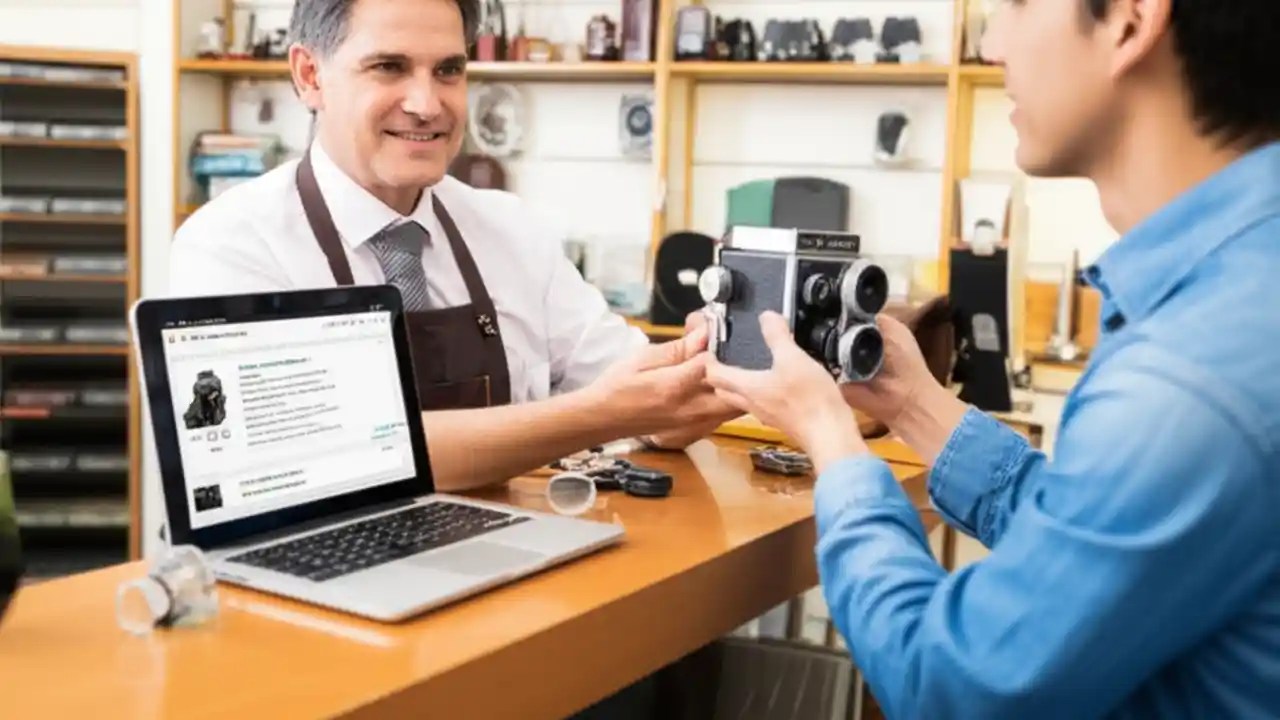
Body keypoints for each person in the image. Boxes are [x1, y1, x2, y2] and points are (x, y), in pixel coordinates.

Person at [705, 0, 1280, 717]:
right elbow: (1096, 541)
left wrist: (829, 436)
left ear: (1131, 20)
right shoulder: (1243, 287)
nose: (994, 41)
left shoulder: (1189, 374)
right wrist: (913, 403)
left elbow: (953, 686)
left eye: (1018, 3)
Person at [169, 0, 736, 492]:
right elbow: (338, 458)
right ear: (310, 75)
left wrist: (704, 372)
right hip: (312, 585)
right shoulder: (232, 245)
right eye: (389, 67)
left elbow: (651, 405)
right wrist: (601, 413)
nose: (427, 103)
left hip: (505, 561)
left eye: (448, 70)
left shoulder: (509, 231)